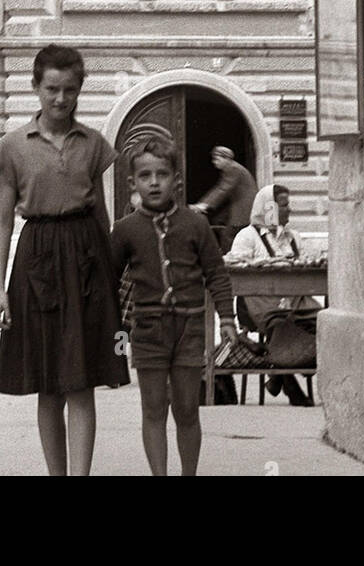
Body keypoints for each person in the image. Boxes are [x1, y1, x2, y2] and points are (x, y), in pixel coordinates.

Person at [0, 44, 129, 476]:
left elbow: (103, 216)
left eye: (70, 89)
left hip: (86, 257)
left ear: (79, 89)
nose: (60, 98)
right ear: (36, 87)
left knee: (82, 382)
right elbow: (2, 221)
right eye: (51, 88)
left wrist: (110, 278)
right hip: (36, 261)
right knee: (47, 384)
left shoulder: (93, 143)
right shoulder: (14, 146)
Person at [111, 135, 236, 476]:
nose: (154, 182)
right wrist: (113, 332)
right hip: (148, 331)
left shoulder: (196, 224)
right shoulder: (124, 230)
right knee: (153, 409)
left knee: (187, 409)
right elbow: (108, 281)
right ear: (132, 183)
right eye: (145, 175)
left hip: (189, 330)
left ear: (176, 180)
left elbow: (216, 273)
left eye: (162, 174)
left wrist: (227, 317)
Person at [230, 187, 316, 407]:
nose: (290, 209)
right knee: (278, 322)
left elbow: (306, 261)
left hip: (295, 300)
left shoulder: (293, 237)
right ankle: (290, 385)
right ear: (269, 208)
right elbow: (235, 267)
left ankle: (278, 373)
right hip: (258, 301)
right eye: (284, 205)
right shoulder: (247, 236)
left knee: (320, 321)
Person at [192, 145, 257, 252]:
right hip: (238, 205)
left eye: (217, 159)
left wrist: (204, 205)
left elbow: (223, 189)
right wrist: (204, 203)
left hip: (243, 207)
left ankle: (229, 256)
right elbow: (220, 188)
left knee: (229, 235)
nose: (214, 162)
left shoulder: (233, 168)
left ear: (226, 158)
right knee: (218, 221)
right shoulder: (231, 169)